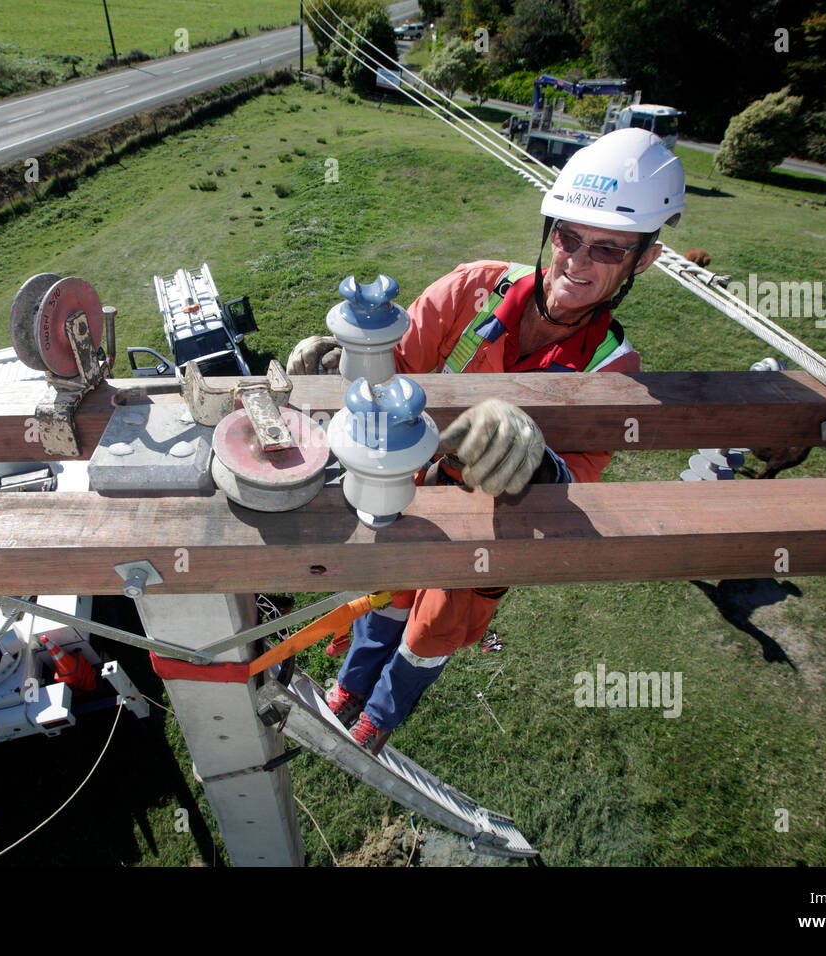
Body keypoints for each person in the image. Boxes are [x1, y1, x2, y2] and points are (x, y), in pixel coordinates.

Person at [286, 128, 686, 754]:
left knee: (431, 632)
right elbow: (397, 361)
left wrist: (538, 462)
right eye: (568, 237)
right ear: (550, 230)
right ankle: (351, 686)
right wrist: (350, 365)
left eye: (606, 249)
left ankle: (379, 717)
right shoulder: (474, 292)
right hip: (411, 497)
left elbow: (578, 484)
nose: (576, 262)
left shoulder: (612, 368)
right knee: (387, 600)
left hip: (491, 534)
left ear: (645, 260)